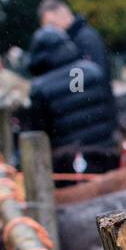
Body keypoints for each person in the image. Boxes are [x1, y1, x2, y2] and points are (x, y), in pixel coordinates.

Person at [18, 26, 117, 155]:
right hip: (106, 153)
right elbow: (111, 110)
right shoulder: (94, 71)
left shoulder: (40, 87)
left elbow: (38, 132)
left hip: (67, 160)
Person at [37, 0, 111, 78]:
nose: (50, 31)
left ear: (63, 14)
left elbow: (93, 79)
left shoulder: (85, 39)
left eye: (52, 24)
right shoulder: (74, 39)